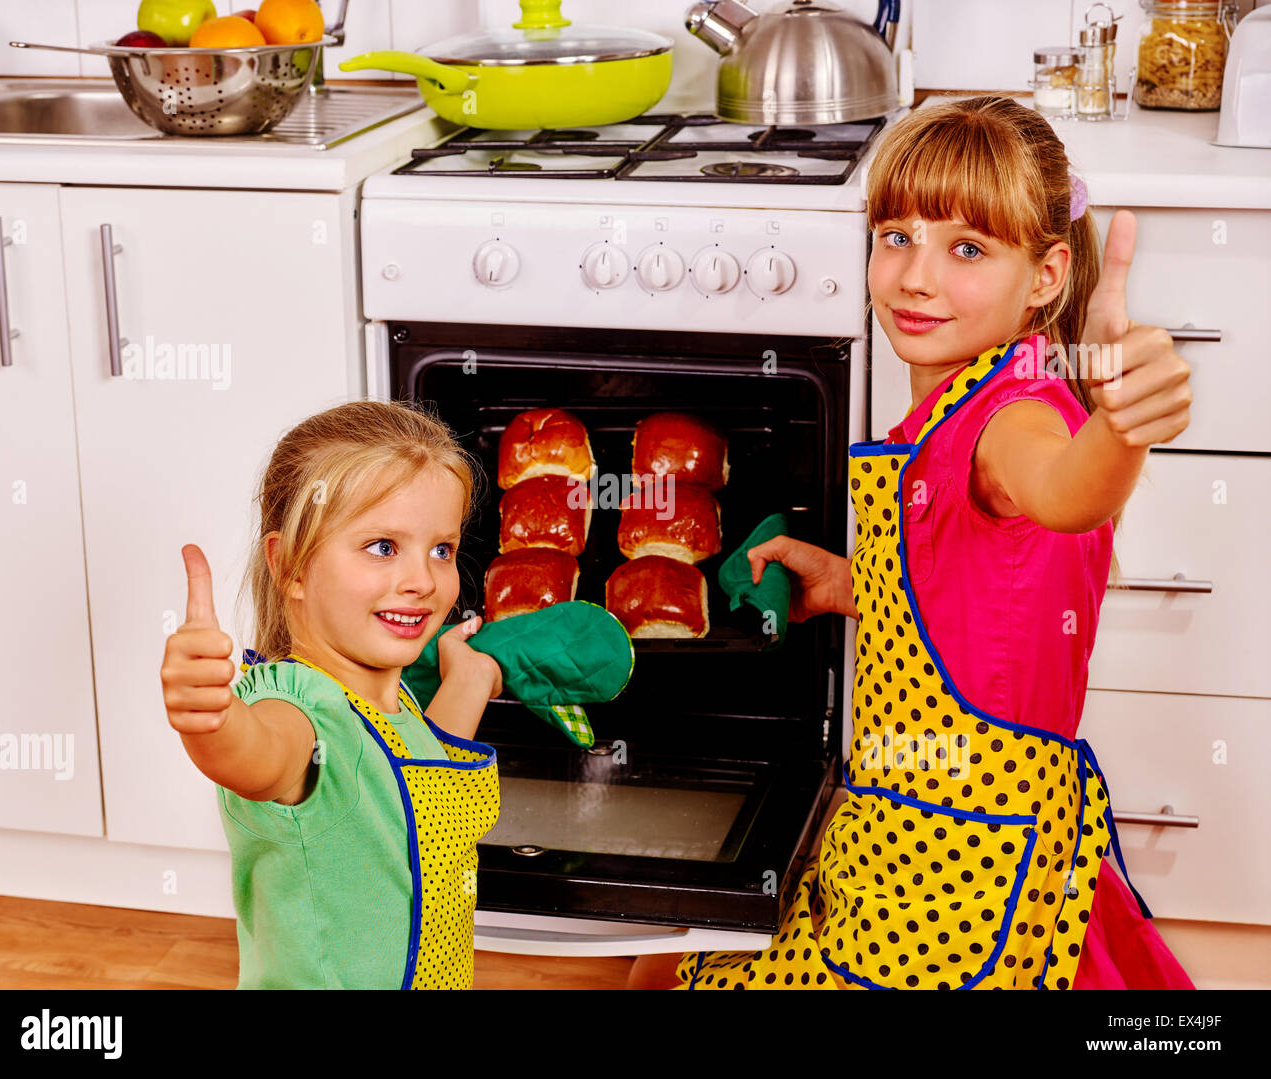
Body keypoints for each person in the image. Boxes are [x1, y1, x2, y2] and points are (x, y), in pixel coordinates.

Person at [630, 94, 1195, 990]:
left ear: (1045, 276)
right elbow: (977, 587)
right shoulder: (960, 392)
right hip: (905, 821)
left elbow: (1065, 492)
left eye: (967, 249)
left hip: (957, 865)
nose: (915, 276)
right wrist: (860, 583)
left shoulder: (1010, 420)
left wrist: (1122, 427)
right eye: (897, 235)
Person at [160, 400, 503, 989]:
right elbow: (257, 753)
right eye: (383, 547)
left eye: (441, 550)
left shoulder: (393, 703)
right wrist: (208, 719)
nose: (423, 581)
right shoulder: (297, 714)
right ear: (291, 565)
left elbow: (411, 776)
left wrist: (467, 680)